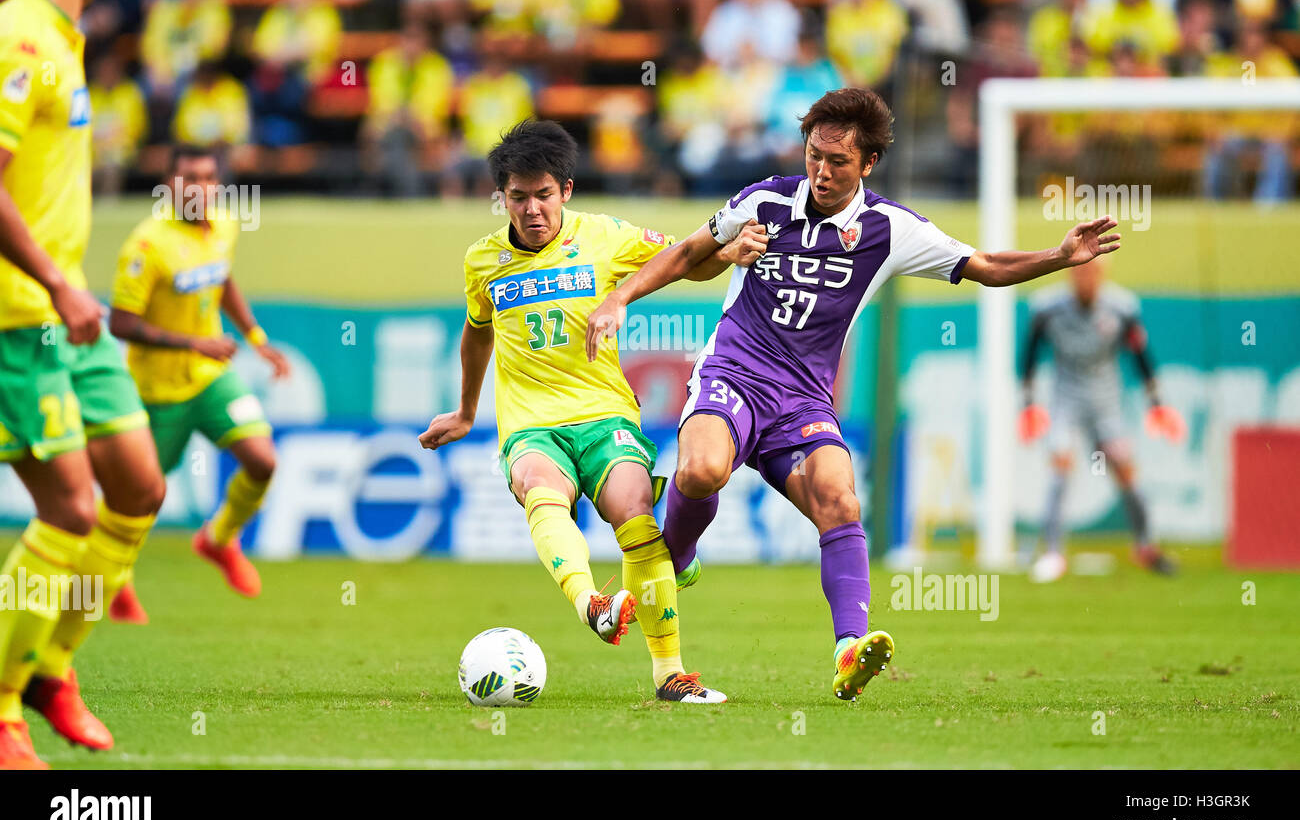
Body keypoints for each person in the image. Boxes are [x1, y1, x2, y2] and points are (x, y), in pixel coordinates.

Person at [585, 87, 1123, 700]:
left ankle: (848, 650)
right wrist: (620, 297)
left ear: (867, 165)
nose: (820, 171)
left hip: (805, 401)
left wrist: (1058, 255)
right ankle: (671, 563)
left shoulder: (889, 229)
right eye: (814, 155)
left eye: (838, 162)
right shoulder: (762, 200)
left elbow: (987, 265)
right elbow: (688, 254)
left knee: (840, 498)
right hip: (733, 372)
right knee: (703, 469)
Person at [419, 120, 744, 702]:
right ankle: (592, 602)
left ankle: (670, 677)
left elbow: (685, 259)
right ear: (502, 197)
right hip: (531, 425)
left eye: (544, 195)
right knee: (541, 489)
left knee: (637, 518)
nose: (532, 210)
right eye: (517, 197)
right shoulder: (483, 261)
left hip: (605, 416)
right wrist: (467, 412)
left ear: (565, 189)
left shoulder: (607, 236)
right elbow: (476, 334)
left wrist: (728, 253)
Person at [0, 0, 166, 769]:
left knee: (138, 488)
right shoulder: (22, 40)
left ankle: (49, 670)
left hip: (75, 316)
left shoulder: (57, 35)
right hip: (22, 318)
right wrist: (58, 281)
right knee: (69, 509)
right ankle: (1, 706)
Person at [107, 146, 291, 621]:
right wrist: (193, 342)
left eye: (209, 178)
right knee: (142, 496)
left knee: (263, 459)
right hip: (157, 392)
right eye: (190, 178)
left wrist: (256, 338)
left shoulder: (225, 223)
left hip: (211, 380)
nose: (201, 189)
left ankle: (218, 540)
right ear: (168, 184)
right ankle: (114, 577)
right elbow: (121, 323)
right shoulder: (146, 246)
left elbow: (221, 278)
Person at [1019, 262, 1185, 583]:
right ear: (1070, 275)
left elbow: (1141, 356)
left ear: (1102, 274)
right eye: (1079, 273)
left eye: (1091, 272)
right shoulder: (1047, 308)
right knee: (1060, 466)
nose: (1086, 279)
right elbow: (1029, 353)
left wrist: (1156, 404)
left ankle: (1146, 546)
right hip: (1065, 399)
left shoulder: (1122, 308)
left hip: (1106, 403)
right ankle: (1053, 553)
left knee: (1126, 471)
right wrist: (1027, 404)